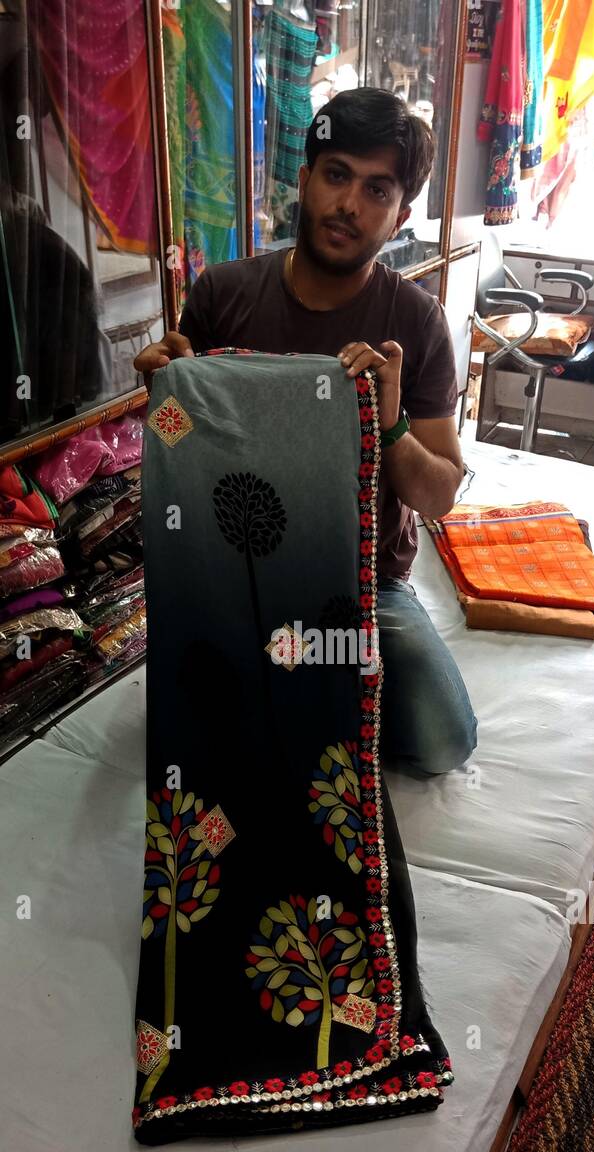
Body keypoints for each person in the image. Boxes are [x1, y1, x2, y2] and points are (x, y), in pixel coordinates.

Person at [135, 87, 477, 779]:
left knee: (443, 741)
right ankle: (294, 681)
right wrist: (159, 396)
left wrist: (392, 425)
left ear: (400, 214)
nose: (349, 203)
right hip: (235, 577)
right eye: (337, 174)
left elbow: (438, 496)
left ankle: (300, 678)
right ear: (305, 180)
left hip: (363, 585)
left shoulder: (414, 323)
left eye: (376, 189)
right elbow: (179, 442)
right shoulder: (223, 294)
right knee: (186, 721)